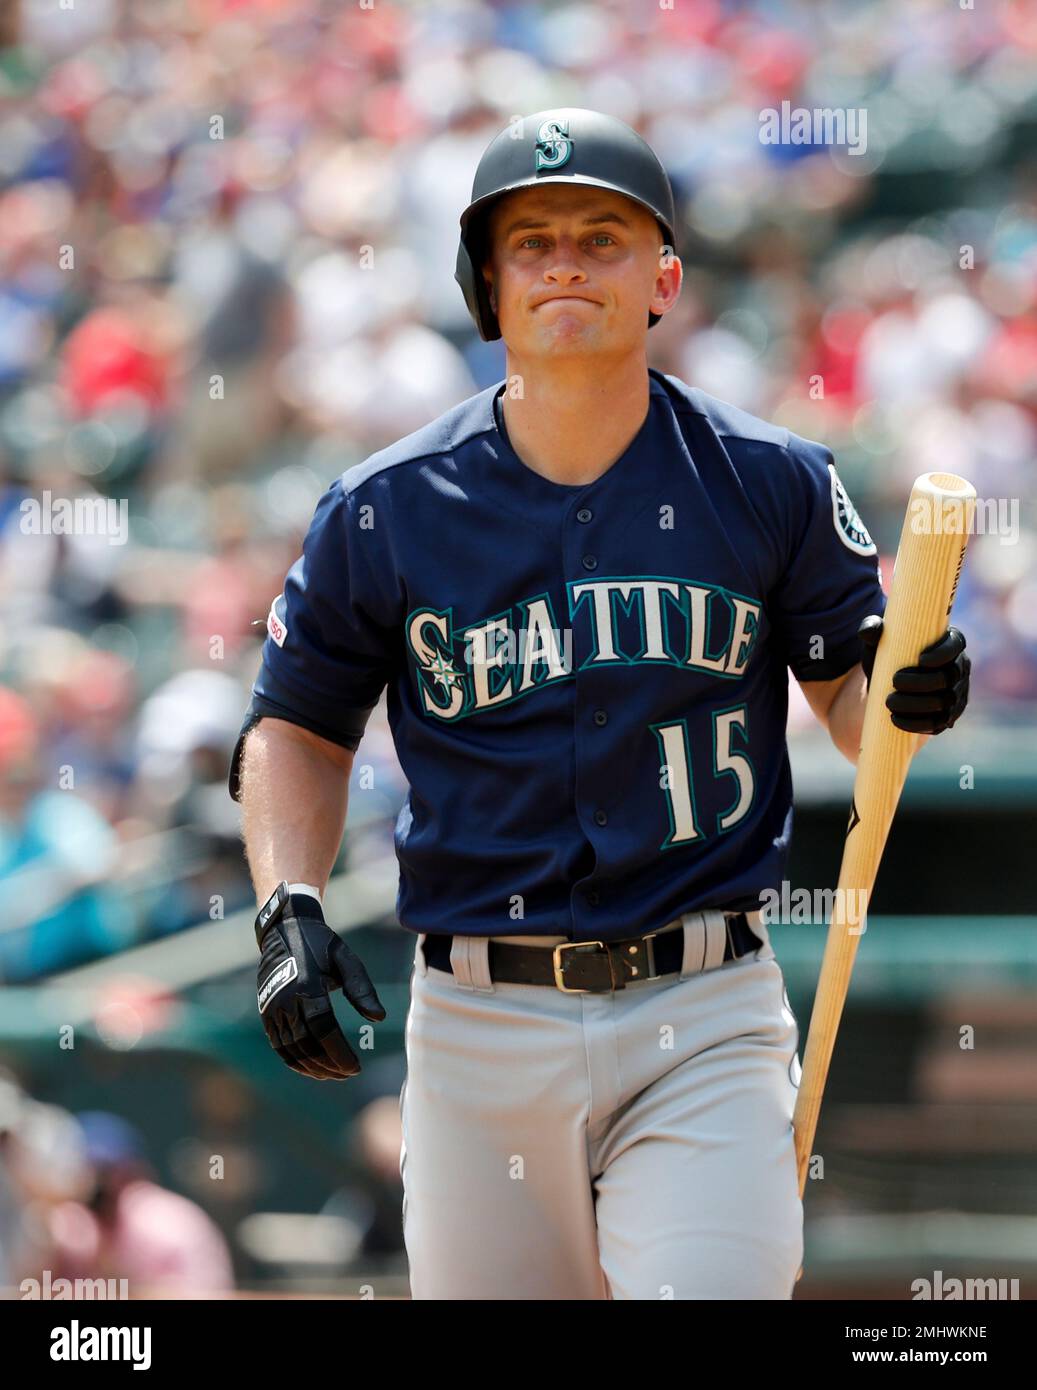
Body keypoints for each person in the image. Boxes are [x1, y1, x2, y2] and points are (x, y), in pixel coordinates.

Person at [229, 110, 970, 1300]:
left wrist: (904, 696)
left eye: (601, 237)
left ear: (662, 276)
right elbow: (296, 728)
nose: (565, 261)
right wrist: (287, 907)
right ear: (485, 281)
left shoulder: (769, 479)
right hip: (478, 1025)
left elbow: (849, 686)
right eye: (530, 243)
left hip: (704, 1011)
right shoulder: (383, 507)